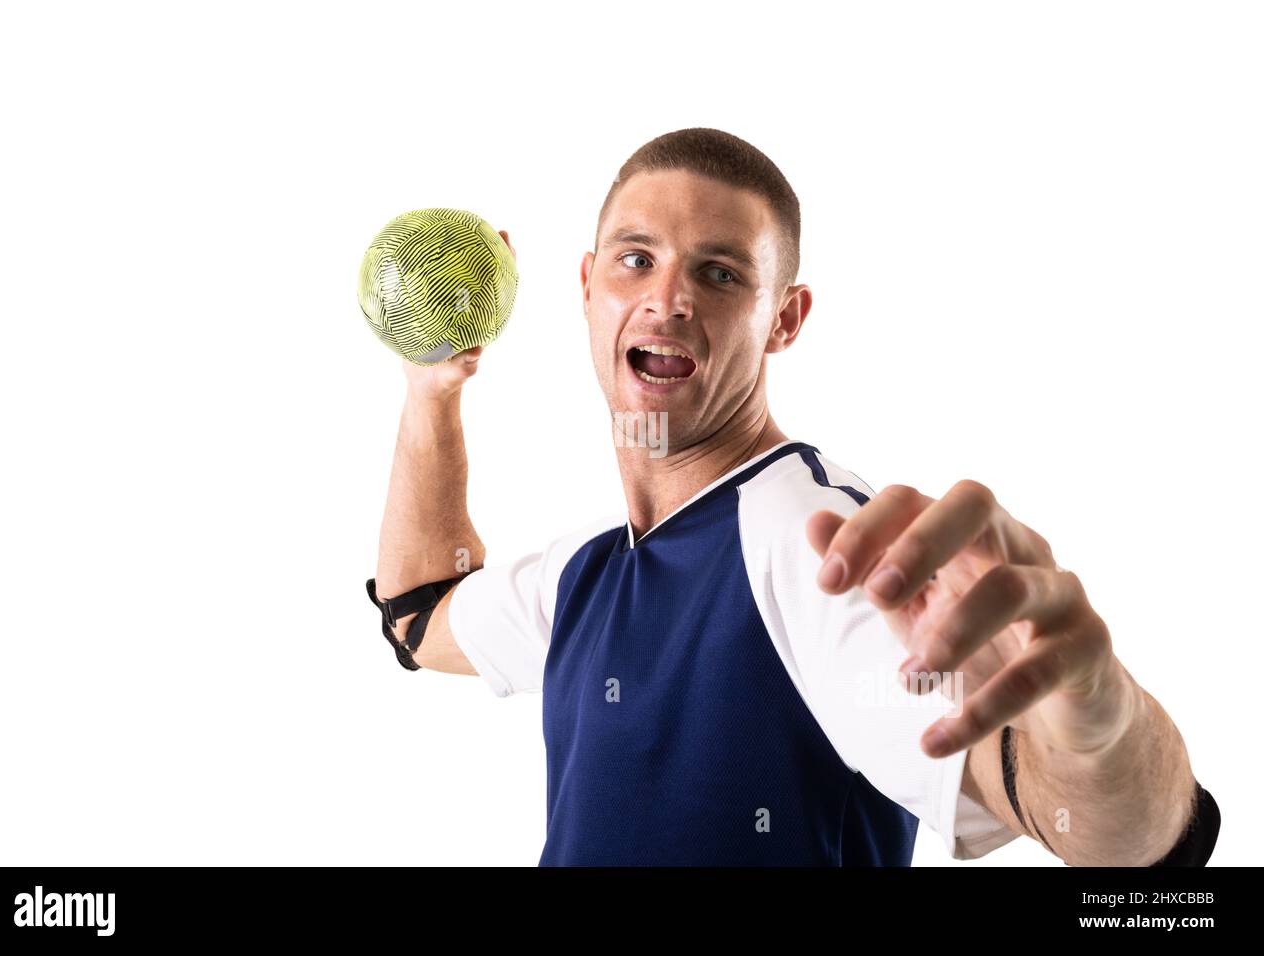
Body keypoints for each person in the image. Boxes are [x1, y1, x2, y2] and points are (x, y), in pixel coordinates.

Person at [366, 127, 1218, 866]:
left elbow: (1098, 829)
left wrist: (1101, 727)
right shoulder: (583, 573)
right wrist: (432, 393)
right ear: (588, 286)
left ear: (786, 319)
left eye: (722, 274)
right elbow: (419, 612)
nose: (668, 298)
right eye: (637, 260)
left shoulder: (822, 548)